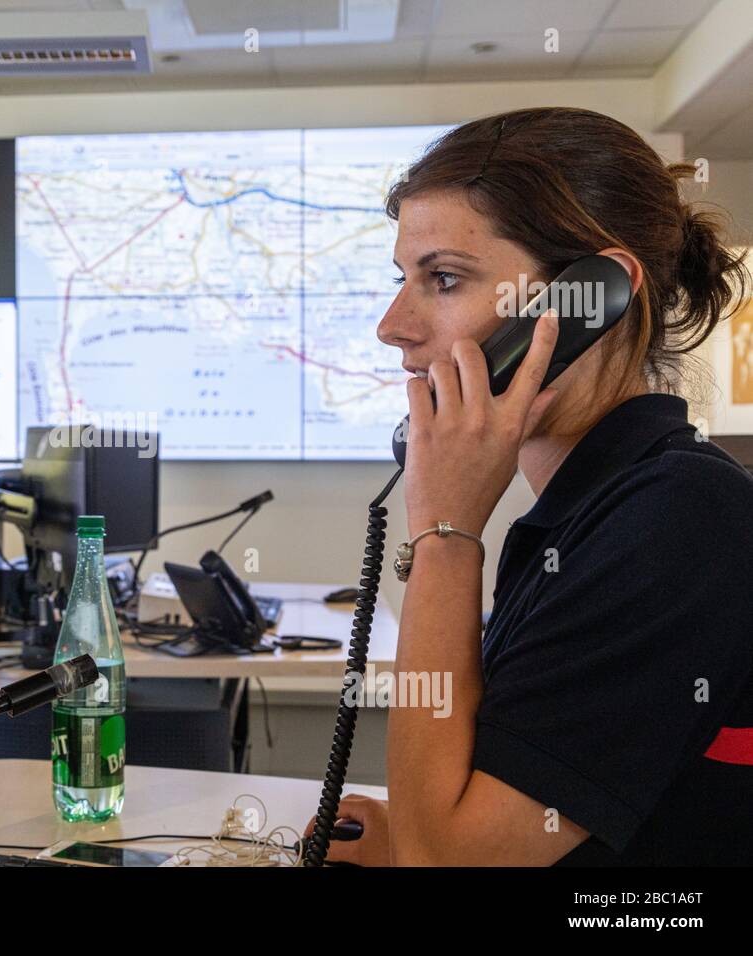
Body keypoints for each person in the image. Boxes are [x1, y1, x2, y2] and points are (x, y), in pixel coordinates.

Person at [318, 107, 753, 865]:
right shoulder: (590, 510)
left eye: (444, 279)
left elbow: (445, 863)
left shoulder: (679, 519)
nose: (393, 326)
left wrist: (445, 531)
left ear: (593, 300)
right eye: (404, 281)